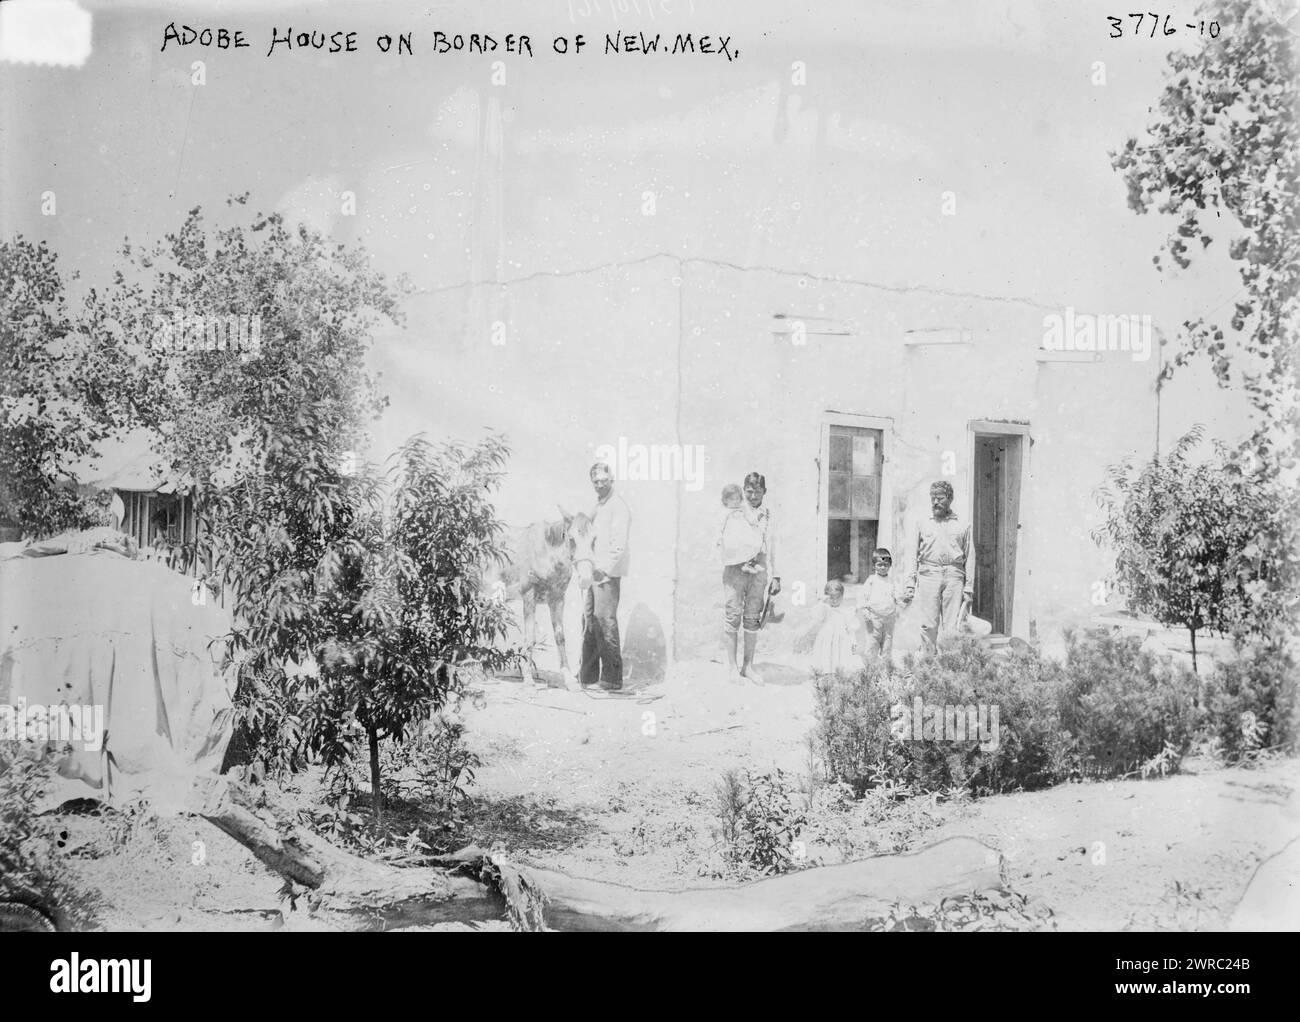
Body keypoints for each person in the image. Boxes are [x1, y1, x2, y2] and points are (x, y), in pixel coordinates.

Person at [722, 471, 780, 683]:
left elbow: (773, 546)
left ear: (764, 491)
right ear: (743, 490)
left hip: (759, 569)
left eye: (757, 491)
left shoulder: (769, 514)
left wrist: (777, 576)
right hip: (735, 569)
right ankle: (731, 666)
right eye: (749, 490)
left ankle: (748, 666)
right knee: (732, 616)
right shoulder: (735, 509)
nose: (753, 495)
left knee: (752, 618)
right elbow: (723, 538)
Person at [904, 481, 974, 653]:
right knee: (929, 624)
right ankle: (928, 663)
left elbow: (970, 556)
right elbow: (911, 554)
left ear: (950, 499)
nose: (935, 502)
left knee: (952, 626)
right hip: (929, 574)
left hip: (954, 576)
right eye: (933, 498)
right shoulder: (922, 522)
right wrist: (910, 583)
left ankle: (950, 664)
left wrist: (969, 586)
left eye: (940, 498)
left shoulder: (963, 524)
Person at [580, 462, 631, 691]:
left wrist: (605, 569)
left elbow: (618, 546)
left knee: (605, 621)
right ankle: (588, 676)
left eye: (604, 481)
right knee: (589, 621)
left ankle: (612, 678)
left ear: (612, 480)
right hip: (593, 573)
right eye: (596, 482)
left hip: (607, 575)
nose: (600, 485)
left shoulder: (617, 506)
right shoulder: (598, 506)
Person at [858, 547, 909, 661]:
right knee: (873, 642)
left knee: (887, 642)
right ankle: (871, 667)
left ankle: (886, 667)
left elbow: (896, 595)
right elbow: (863, 598)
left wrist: (901, 603)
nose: (882, 567)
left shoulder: (892, 581)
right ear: (874, 566)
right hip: (874, 618)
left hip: (889, 618)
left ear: (890, 566)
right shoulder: (871, 580)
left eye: (885, 565)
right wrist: (865, 612)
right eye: (879, 564)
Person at [802, 579, 859, 674]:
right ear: (827, 597)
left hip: (841, 639)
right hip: (826, 638)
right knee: (826, 656)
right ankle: (826, 674)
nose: (835, 601)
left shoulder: (846, 611)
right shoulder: (825, 609)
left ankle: (838, 674)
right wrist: (822, 603)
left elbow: (850, 628)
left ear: (842, 596)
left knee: (840, 658)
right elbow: (815, 614)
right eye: (831, 598)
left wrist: (853, 641)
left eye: (838, 597)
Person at [717, 484, 761, 574]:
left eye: (737, 499)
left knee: (752, 543)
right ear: (725, 500)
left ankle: (751, 562)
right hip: (732, 536)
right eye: (732, 499)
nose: (735, 501)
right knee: (738, 550)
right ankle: (743, 565)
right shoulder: (725, 512)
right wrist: (719, 537)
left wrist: (755, 520)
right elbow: (720, 526)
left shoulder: (742, 508)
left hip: (744, 533)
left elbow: (750, 518)